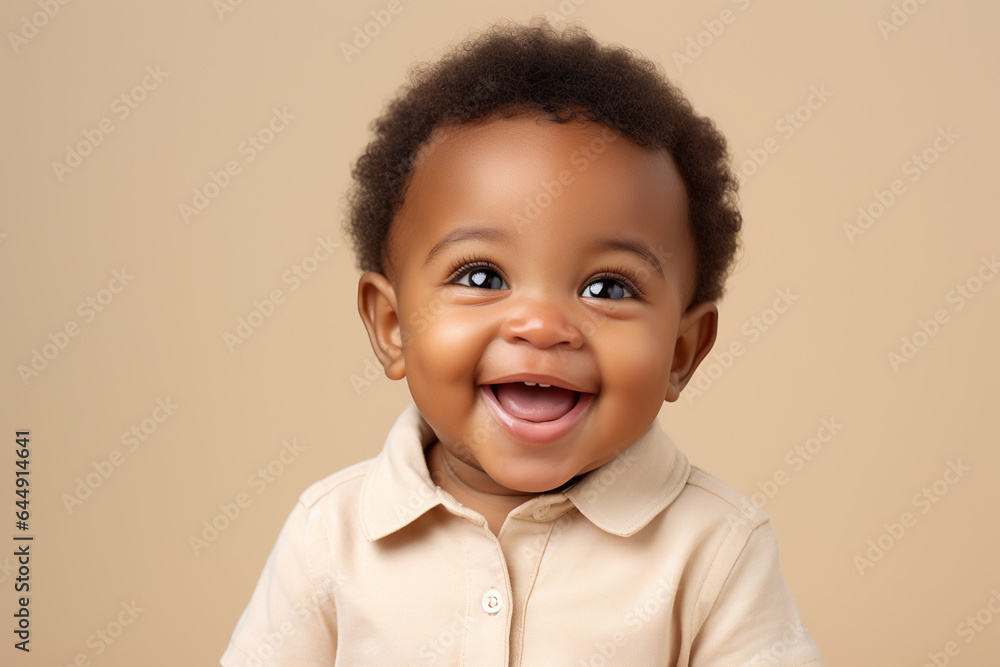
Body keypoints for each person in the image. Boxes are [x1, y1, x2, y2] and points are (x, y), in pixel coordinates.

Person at [221, 19, 823, 666]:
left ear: (683, 350)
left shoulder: (715, 549)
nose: (540, 325)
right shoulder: (330, 536)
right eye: (481, 276)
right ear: (392, 326)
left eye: (608, 288)